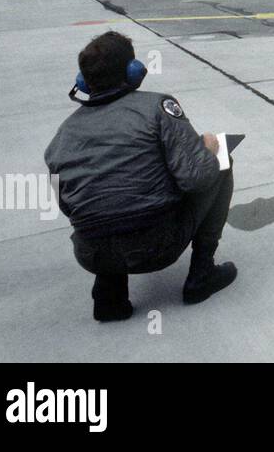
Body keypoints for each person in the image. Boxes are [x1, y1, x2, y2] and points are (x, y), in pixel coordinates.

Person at [44, 31, 237, 322]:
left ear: (83, 81)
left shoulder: (62, 136)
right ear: (134, 73)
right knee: (222, 163)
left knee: (105, 204)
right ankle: (202, 275)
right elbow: (196, 179)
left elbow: (69, 206)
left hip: (90, 253)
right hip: (154, 248)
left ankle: (110, 294)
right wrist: (208, 150)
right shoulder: (157, 108)